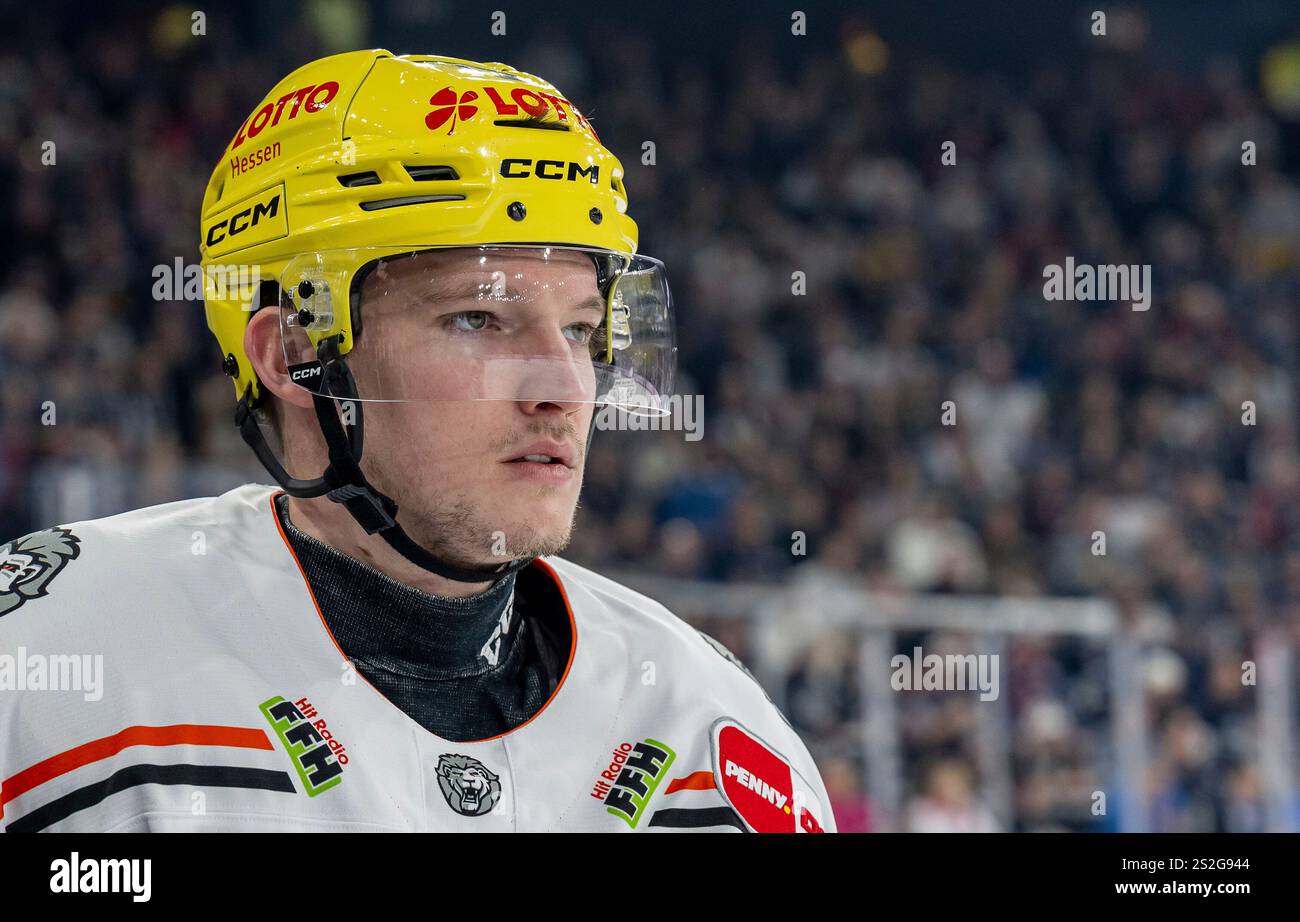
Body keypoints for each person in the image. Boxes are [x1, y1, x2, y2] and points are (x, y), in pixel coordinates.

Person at [0, 50, 834, 833]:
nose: (562, 388)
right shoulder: (54, 667)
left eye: (582, 329)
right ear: (294, 354)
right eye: (478, 318)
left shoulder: (709, 728)